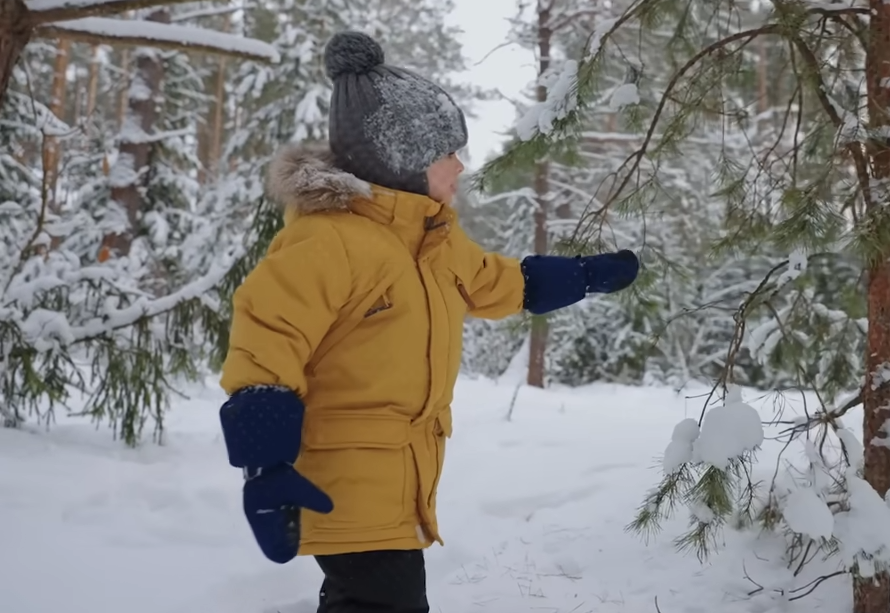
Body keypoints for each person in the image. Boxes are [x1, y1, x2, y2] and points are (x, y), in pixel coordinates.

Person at [216, 31, 639, 613]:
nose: (460, 165)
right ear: (403, 159)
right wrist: (264, 465)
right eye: (448, 153)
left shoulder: (430, 238)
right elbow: (266, 339)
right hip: (342, 476)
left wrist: (584, 276)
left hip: (397, 476)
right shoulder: (329, 241)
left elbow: (496, 282)